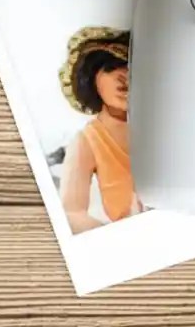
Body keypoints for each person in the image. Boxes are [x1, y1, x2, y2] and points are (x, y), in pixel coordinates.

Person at [58, 28, 140, 234]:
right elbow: (71, 213)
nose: (125, 77)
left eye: (135, 68)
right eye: (112, 67)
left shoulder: (164, 127)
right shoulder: (88, 140)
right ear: (92, 76)